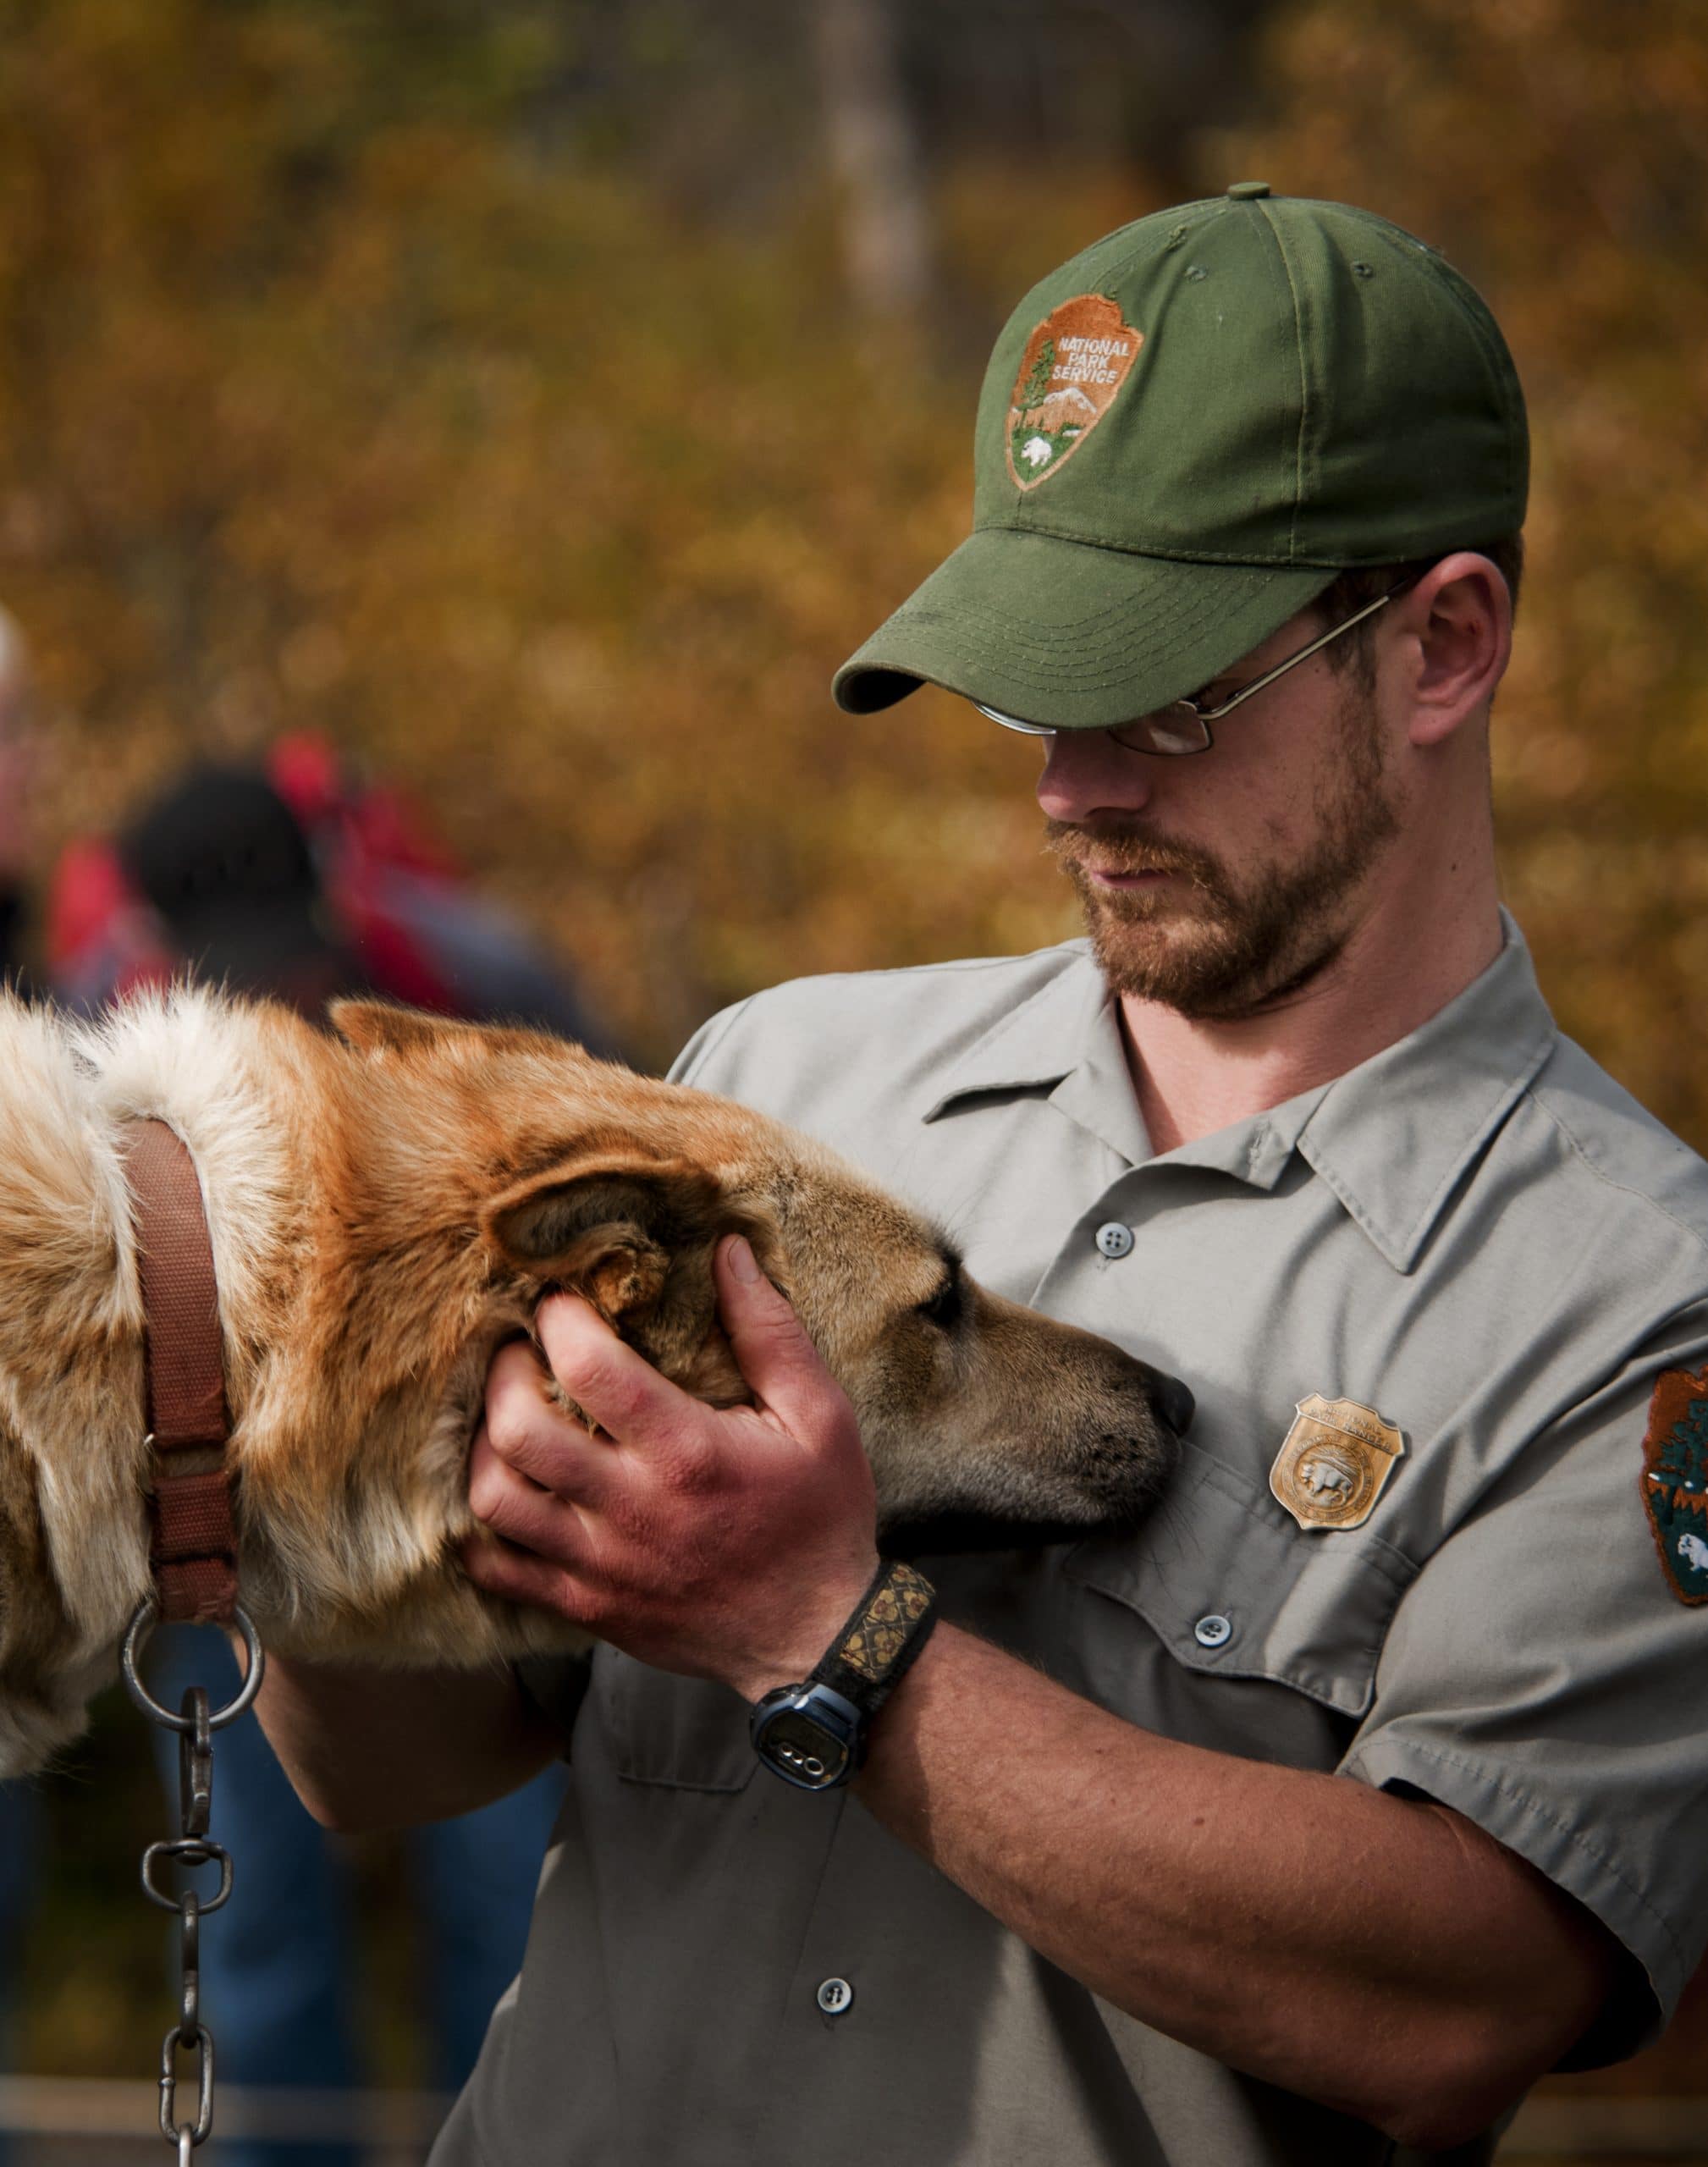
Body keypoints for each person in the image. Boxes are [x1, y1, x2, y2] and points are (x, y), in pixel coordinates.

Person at [251, 189, 1708, 2167]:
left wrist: (824, 1635)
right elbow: (403, 1763)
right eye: (1037, 686)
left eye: (1171, 686)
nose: (1072, 784)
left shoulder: (1628, 1303)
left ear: (1441, 644)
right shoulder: (779, 1079)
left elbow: (1451, 1994)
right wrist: (282, 1476)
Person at [63, 759, 582, 2167]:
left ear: (336, 900)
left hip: (475, 1515)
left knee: (508, 1893)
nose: (276, 995)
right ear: (156, 950)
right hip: (216, 1521)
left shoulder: (469, 976)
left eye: (291, 956)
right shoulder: (85, 1027)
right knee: (249, 1904)